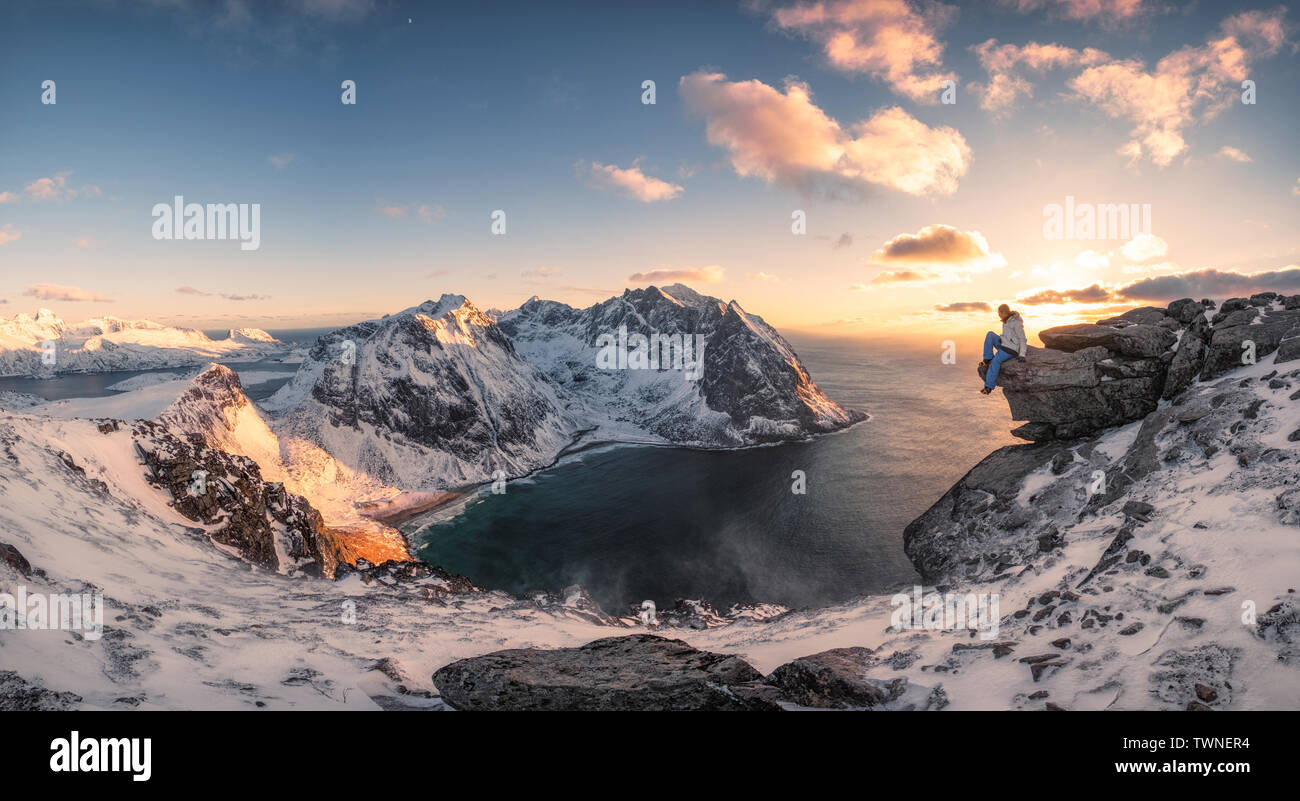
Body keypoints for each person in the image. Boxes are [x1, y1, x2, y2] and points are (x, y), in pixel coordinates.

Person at [980, 304, 1027, 394]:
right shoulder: (1006, 321)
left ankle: (988, 387)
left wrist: (1022, 354)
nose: (999, 315)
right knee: (990, 334)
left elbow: (1022, 338)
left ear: (1004, 312)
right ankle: (987, 358)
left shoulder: (1016, 323)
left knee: (995, 362)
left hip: (1011, 349)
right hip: (1005, 344)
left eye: (999, 313)